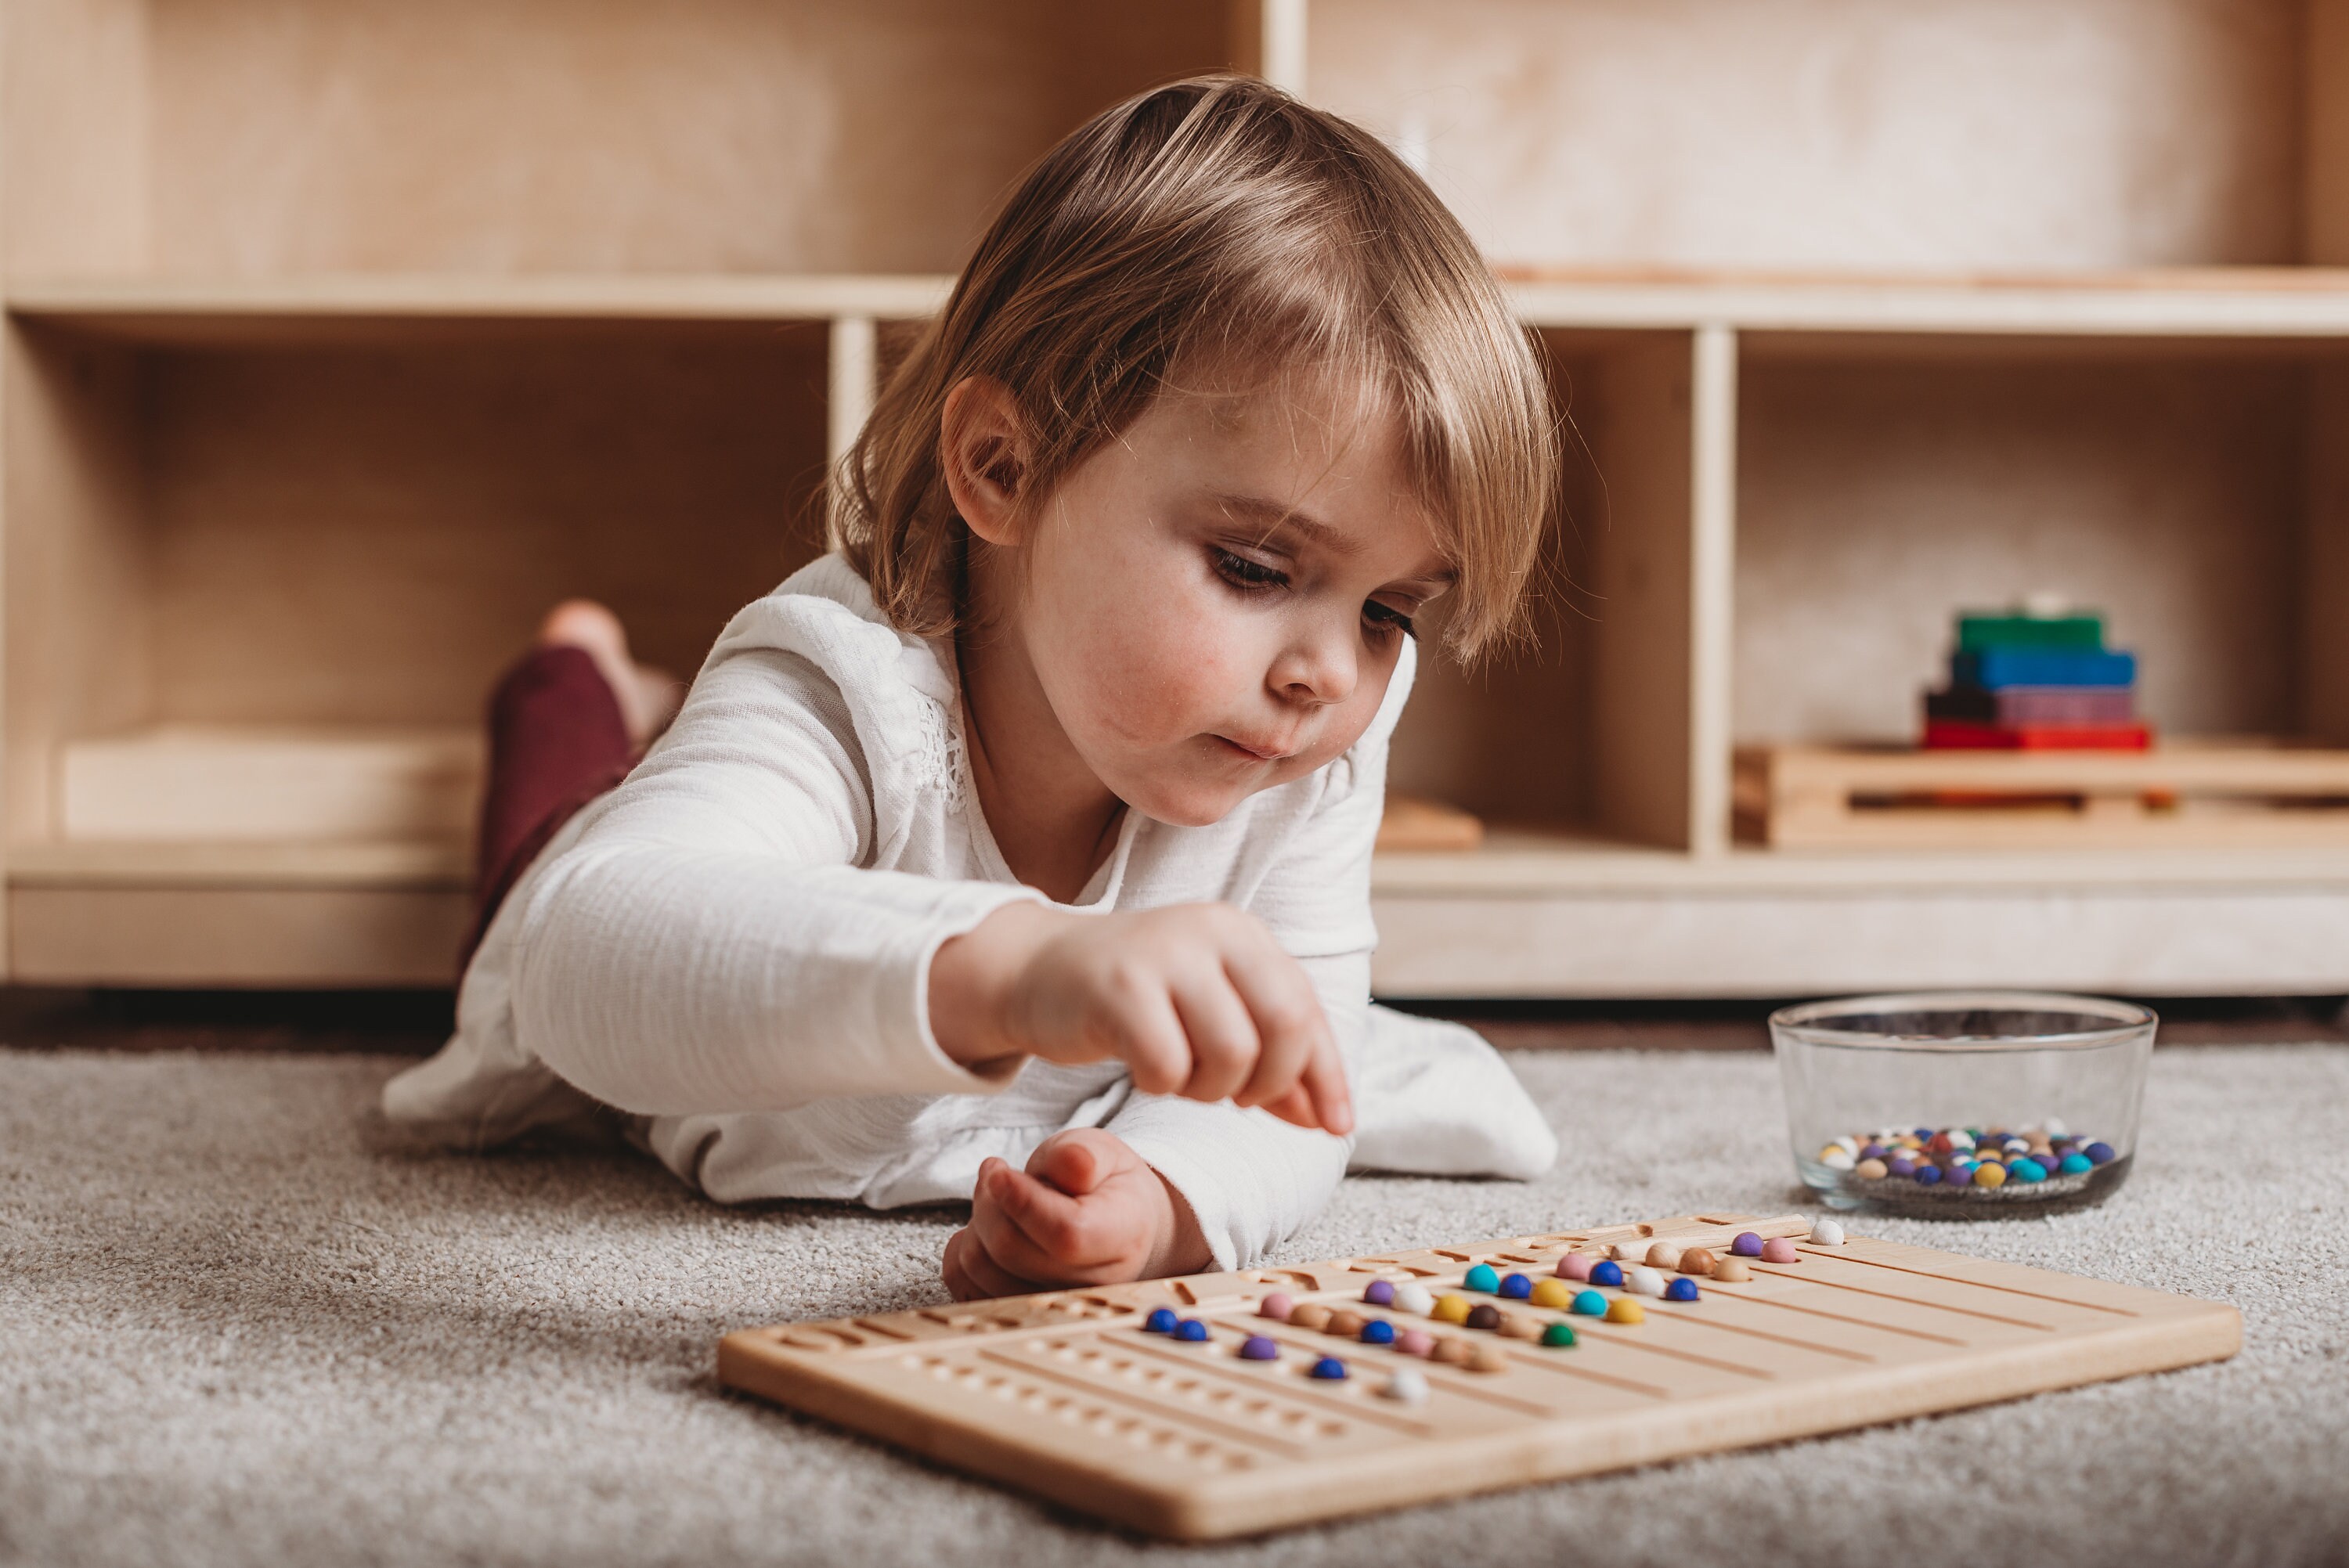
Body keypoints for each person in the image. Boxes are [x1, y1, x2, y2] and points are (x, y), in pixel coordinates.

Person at [385, 76, 1557, 1298]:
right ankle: (574, 668)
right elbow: (588, 952)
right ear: (1003, 468)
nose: (1330, 673)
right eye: (1254, 568)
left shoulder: (1312, 729)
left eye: (1388, 611)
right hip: (597, 916)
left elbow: (1299, 1074)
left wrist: (1160, 1204)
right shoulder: (837, 687)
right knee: (555, 813)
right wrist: (1014, 969)